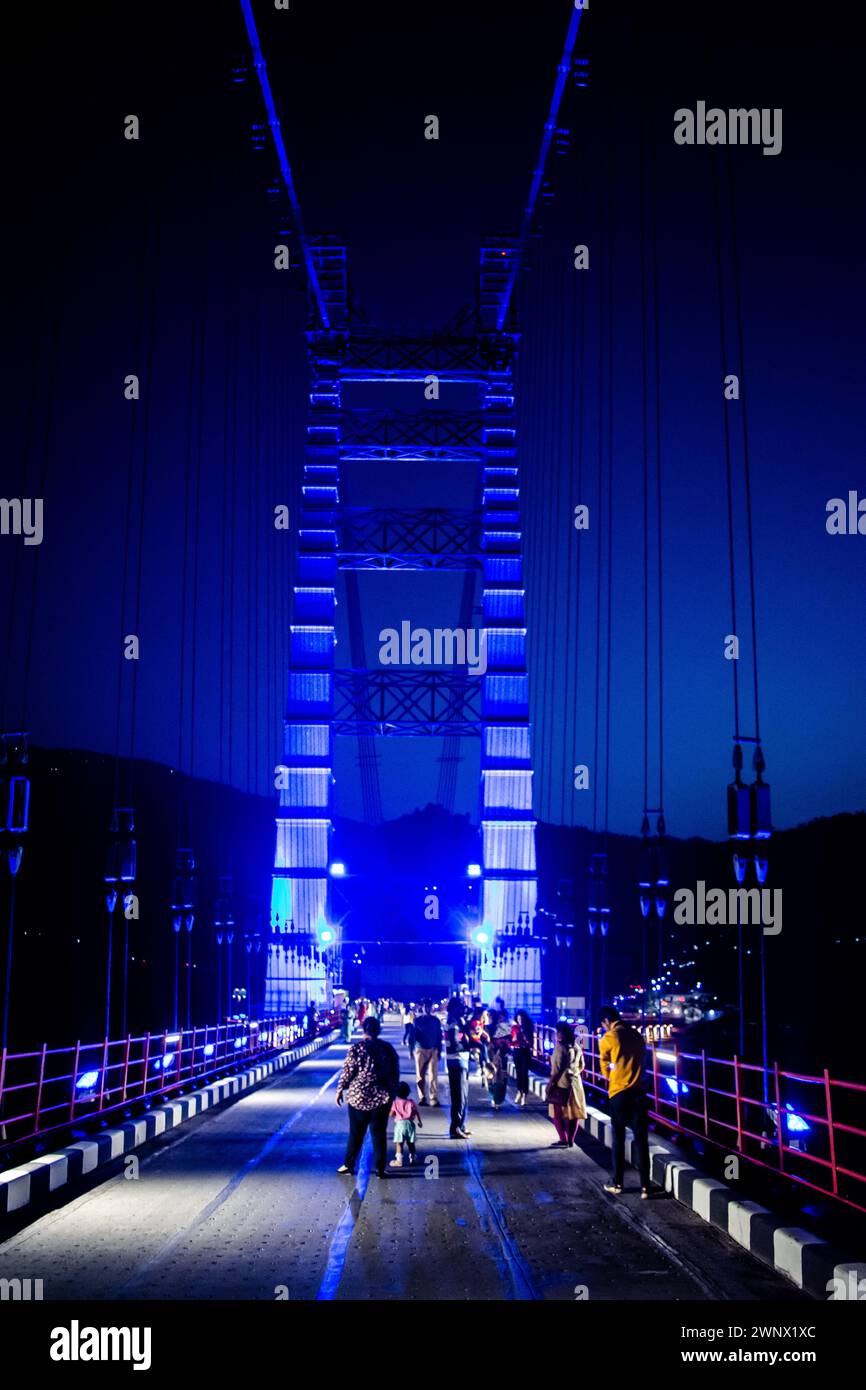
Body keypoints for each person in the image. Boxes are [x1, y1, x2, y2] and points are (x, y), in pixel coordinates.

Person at [335, 1017, 400, 1179]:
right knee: (379, 1133)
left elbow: (347, 1071)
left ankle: (349, 1165)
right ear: (378, 1030)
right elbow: (395, 1072)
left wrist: (340, 1090)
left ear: (364, 1030)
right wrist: (392, 1093)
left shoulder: (356, 1049)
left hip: (358, 1097)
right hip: (381, 1097)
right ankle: (380, 1169)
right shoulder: (387, 1049)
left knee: (356, 1133)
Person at [598, 1005, 651, 1197]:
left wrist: (610, 1076)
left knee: (618, 1138)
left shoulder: (609, 1037)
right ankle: (646, 1186)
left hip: (619, 1092)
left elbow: (603, 1063)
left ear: (606, 1021)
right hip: (638, 1092)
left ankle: (618, 1183)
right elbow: (643, 1058)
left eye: (603, 1025)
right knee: (641, 1139)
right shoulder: (637, 1035)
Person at [546, 1021, 587, 1146]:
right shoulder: (576, 1046)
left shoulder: (560, 1048)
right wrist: (573, 1073)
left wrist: (549, 1085)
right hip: (576, 1083)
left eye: (558, 1032)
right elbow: (582, 1066)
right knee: (573, 1114)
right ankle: (570, 1140)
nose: (556, 1035)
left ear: (561, 1034)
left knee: (557, 1112)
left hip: (561, 1083)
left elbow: (556, 1070)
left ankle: (563, 1139)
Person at [445, 995, 472, 1138]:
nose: (464, 1008)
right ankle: (455, 1127)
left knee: (463, 1095)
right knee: (459, 1096)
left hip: (461, 1060)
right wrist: (468, 1045)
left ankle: (460, 1125)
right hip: (457, 1061)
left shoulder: (457, 1021)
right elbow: (455, 1044)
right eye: (461, 1005)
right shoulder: (453, 1023)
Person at [413, 999, 442, 1106]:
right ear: (422, 1007)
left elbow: (439, 1036)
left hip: (433, 1050)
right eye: (425, 1007)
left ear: (432, 1008)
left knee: (433, 1075)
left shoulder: (436, 1021)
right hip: (420, 1049)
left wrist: (439, 1050)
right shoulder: (417, 1021)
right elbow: (413, 1036)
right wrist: (411, 1049)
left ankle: (433, 1098)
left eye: (429, 1007)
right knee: (420, 1075)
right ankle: (422, 1097)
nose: (427, 1009)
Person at [389, 1080, 422, 1167]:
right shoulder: (411, 1102)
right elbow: (416, 1112)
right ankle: (412, 1158)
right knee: (411, 1143)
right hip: (410, 1125)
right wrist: (419, 1122)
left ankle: (399, 1161)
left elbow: (391, 1114)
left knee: (399, 1143)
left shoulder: (395, 1103)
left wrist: (395, 1115)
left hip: (400, 1125)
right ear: (408, 1092)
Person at [512, 1009, 534, 1106]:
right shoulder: (514, 1028)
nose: (520, 1020)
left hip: (525, 1051)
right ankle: (519, 1092)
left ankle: (525, 1094)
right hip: (517, 1050)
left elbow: (531, 1042)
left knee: (524, 1072)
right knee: (518, 1072)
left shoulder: (528, 1028)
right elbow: (511, 1041)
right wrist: (515, 1038)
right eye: (518, 1018)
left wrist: (525, 1036)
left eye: (521, 1019)